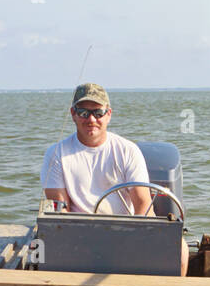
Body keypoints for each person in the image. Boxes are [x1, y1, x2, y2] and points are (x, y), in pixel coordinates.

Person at [41, 83, 188, 274]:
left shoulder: (128, 150)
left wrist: (129, 241)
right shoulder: (56, 154)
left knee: (182, 250)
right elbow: (60, 211)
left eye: (98, 112)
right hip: (81, 233)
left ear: (109, 114)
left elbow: (143, 203)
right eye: (83, 112)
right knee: (41, 250)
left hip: (131, 228)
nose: (91, 119)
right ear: (73, 114)